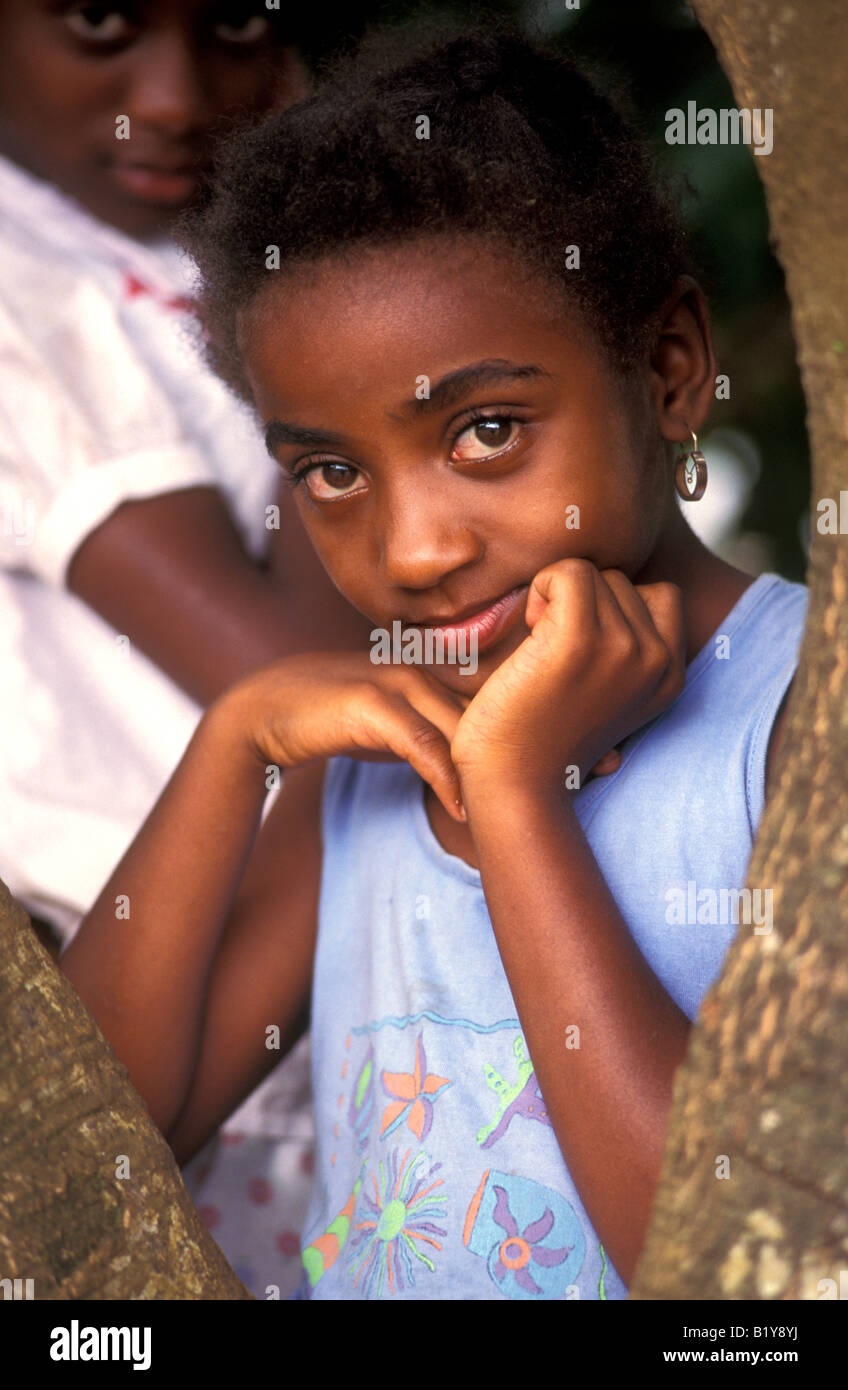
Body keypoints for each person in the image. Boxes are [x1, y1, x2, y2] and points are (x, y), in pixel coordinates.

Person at [58, 22, 807, 1300]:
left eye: (486, 431)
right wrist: (229, 740)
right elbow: (82, 1153)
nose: (411, 551)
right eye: (332, 472)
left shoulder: (798, 714)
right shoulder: (380, 761)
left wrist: (514, 800)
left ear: (669, 369)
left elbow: (734, 1282)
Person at [0, 0, 366, 1298]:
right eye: (98, 18)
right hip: (157, 1016)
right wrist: (347, 312)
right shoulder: (26, 277)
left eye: (238, 20)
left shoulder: (194, 256)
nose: (170, 96)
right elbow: (298, 689)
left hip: (312, 1037)